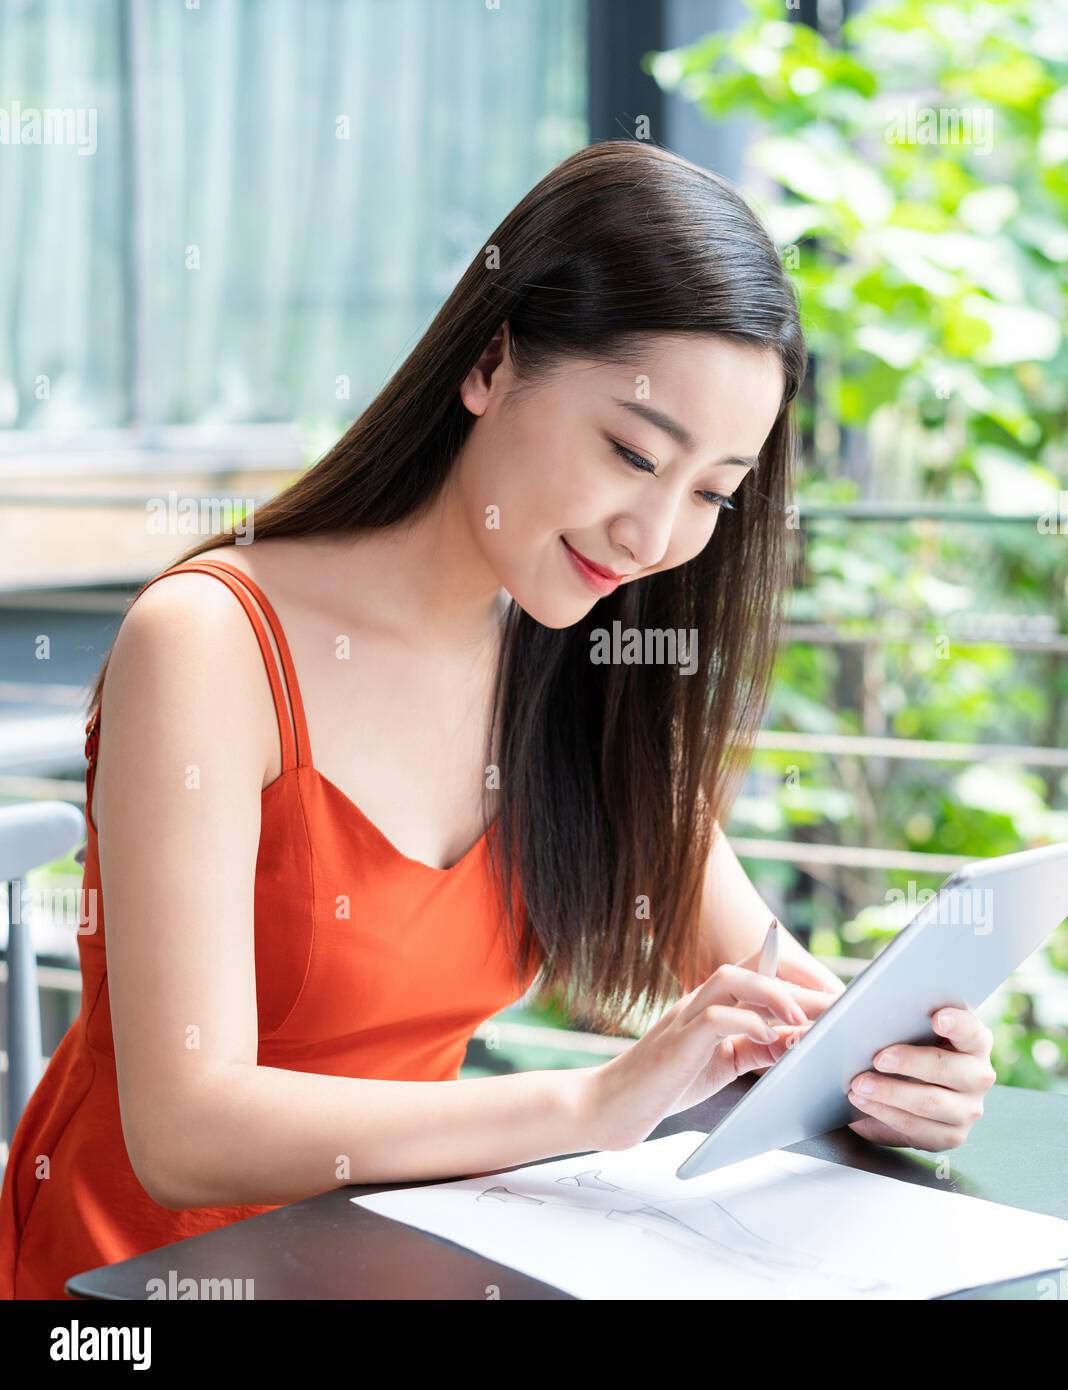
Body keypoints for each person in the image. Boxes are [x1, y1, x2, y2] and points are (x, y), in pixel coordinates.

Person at [0, 139, 994, 1299]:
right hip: (136, 1286)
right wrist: (591, 1103)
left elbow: (775, 994)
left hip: (394, 1259)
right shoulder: (209, 642)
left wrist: (892, 1070)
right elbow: (186, 1129)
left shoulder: (574, 659)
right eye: (631, 451)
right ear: (489, 360)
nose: (654, 535)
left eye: (713, 492)